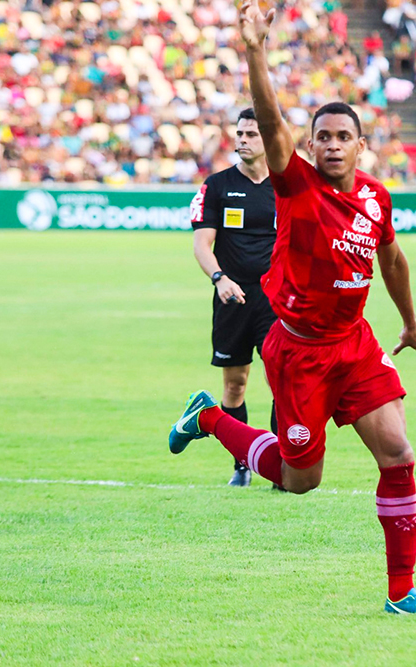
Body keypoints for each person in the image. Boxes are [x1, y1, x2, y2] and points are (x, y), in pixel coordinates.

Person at [168, 0, 416, 617]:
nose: (329, 145)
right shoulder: (296, 187)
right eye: (320, 136)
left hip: (354, 341)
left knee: (398, 453)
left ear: (360, 144)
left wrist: (408, 320)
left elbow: (393, 261)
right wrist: (253, 51)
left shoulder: (377, 198)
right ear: (309, 146)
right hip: (297, 349)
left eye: (341, 136)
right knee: (301, 480)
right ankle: (211, 420)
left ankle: (402, 594)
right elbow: (272, 125)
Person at [188, 108, 278, 488]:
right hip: (232, 297)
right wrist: (219, 278)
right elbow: (201, 245)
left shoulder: (288, 186)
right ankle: (242, 463)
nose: (242, 139)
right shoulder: (218, 185)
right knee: (235, 384)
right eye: (239, 133)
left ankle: (282, 465)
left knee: (283, 383)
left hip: (277, 300)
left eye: (251, 134)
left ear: (269, 139)